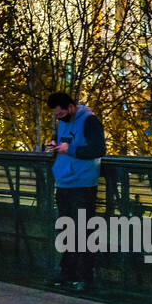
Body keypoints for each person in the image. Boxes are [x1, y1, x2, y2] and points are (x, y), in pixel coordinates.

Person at [46, 91, 106, 292]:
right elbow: (60, 142)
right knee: (66, 231)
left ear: (70, 107)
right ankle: (68, 274)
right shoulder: (63, 122)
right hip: (64, 182)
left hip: (82, 184)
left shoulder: (89, 121)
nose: (58, 118)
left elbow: (98, 149)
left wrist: (68, 149)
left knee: (82, 231)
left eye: (60, 114)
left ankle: (84, 277)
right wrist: (53, 146)